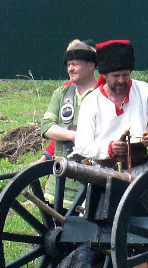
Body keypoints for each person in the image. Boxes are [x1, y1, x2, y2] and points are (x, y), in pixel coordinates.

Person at [73, 39, 148, 175]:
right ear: (105, 75)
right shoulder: (91, 102)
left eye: (125, 75)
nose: (121, 80)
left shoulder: (144, 91)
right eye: (116, 76)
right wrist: (109, 149)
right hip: (103, 174)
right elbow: (82, 145)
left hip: (141, 172)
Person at [40, 39, 99, 207]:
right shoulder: (61, 93)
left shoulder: (102, 94)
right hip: (58, 183)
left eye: (75, 64)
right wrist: (74, 135)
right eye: (68, 65)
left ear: (91, 65)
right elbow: (46, 127)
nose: (70, 69)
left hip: (91, 181)